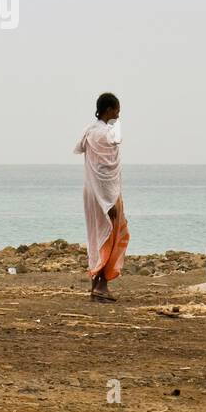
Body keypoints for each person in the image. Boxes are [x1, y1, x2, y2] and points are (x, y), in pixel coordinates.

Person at [75, 92, 129, 302]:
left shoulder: (89, 131)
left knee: (96, 235)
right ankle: (102, 285)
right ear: (109, 110)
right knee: (111, 236)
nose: (119, 113)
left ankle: (95, 286)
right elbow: (105, 170)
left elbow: (83, 151)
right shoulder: (105, 134)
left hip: (90, 192)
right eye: (117, 109)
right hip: (106, 193)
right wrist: (108, 203)